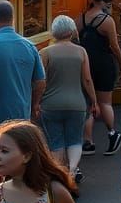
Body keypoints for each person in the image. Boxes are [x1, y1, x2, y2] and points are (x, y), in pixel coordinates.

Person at [0, 1, 45, 155]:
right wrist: (34, 104)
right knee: (20, 155)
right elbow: (40, 81)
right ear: (13, 19)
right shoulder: (29, 46)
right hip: (21, 115)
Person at [39, 16, 97, 186]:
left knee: (56, 141)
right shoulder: (81, 52)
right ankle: (72, 170)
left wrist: (36, 101)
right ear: (72, 31)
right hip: (77, 103)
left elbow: (40, 82)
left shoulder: (45, 53)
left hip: (51, 104)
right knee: (74, 140)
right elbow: (87, 80)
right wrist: (94, 100)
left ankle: (60, 175)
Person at [78, 0, 121, 156]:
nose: (108, 4)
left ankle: (88, 141)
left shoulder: (79, 19)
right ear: (99, 1)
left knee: (89, 104)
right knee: (105, 103)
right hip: (104, 64)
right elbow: (114, 46)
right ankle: (112, 133)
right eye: (106, 1)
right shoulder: (107, 20)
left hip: (85, 65)